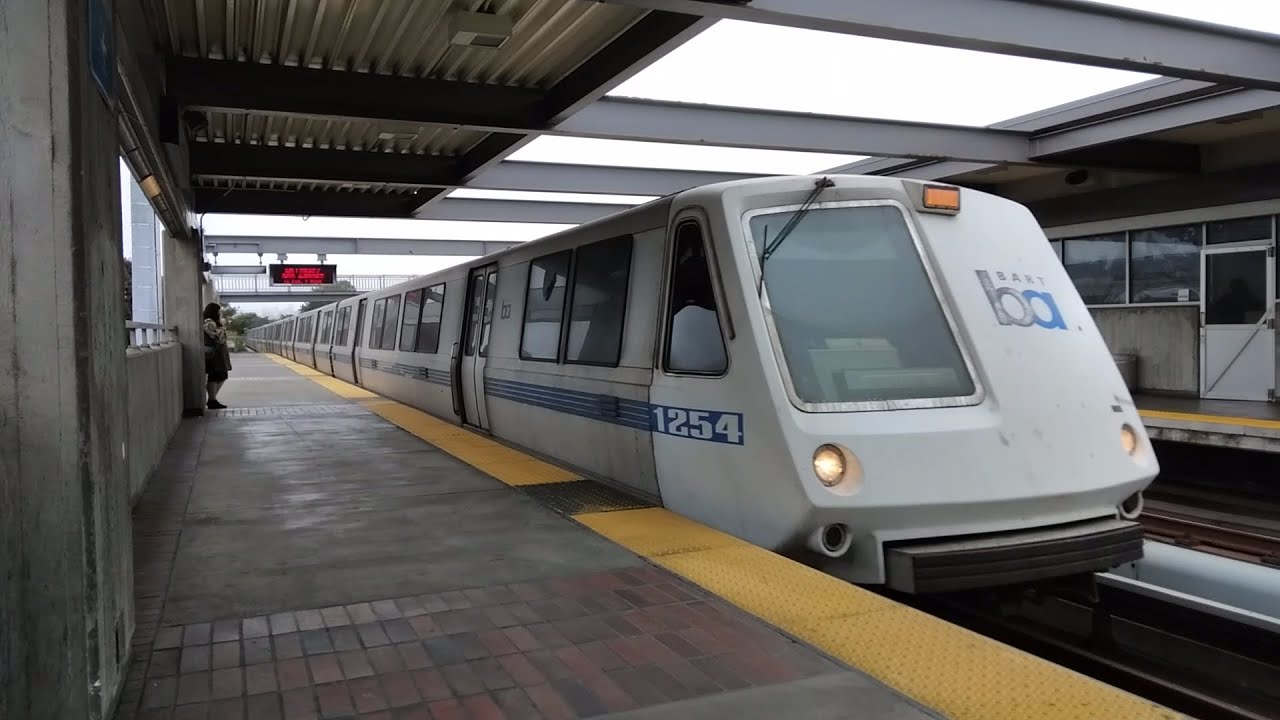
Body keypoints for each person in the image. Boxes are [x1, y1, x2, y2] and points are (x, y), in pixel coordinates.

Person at [203, 302, 232, 409]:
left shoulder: (212, 322)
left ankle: (212, 399)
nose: (220, 313)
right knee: (215, 375)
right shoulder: (208, 322)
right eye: (218, 311)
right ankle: (212, 399)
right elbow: (217, 336)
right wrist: (223, 329)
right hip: (213, 354)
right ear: (214, 312)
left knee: (220, 375)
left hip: (217, 353)